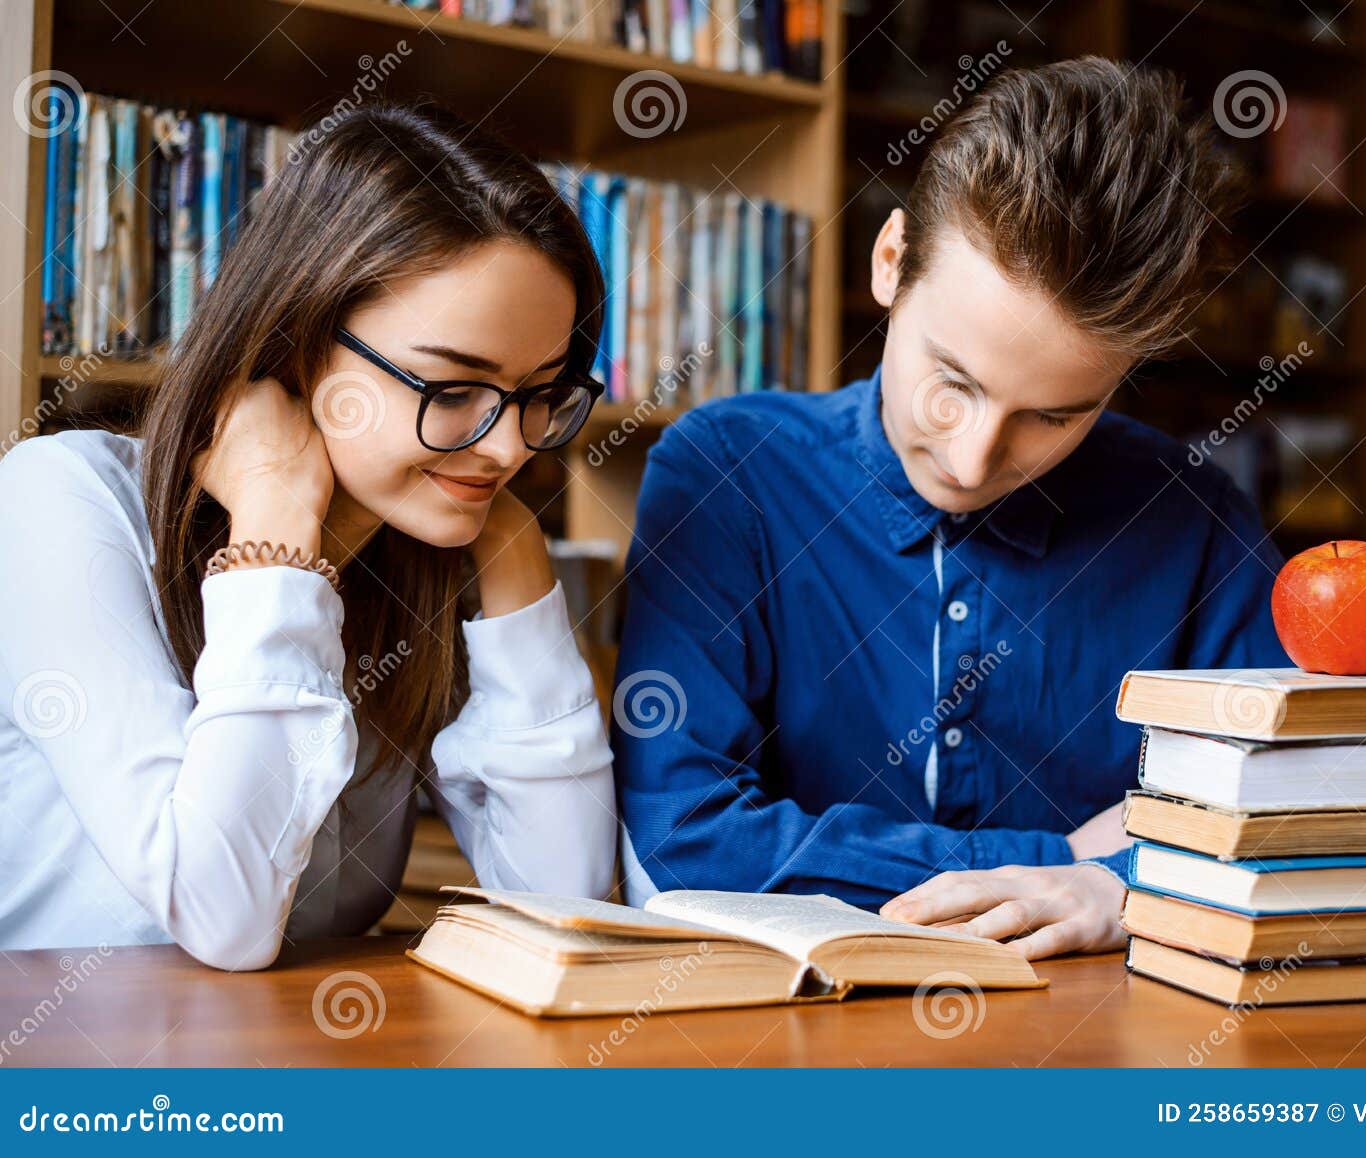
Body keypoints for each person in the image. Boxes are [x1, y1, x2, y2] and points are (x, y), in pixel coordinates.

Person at [612, 58, 1291, 959]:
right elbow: (683, 838)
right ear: (890, 262)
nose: (973, 458)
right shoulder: (726, 473)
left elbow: (1289, 818)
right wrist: (1072, 868)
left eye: (1054, 415)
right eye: (953, 381)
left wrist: (1118, 883)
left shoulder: (1193, 518)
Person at [0, 103, 616, 970]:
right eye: (452, 387)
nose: (511, 445)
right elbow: (222, 920)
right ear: (296, 340)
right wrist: (275, 526)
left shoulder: (432, 554)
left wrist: (516, 563)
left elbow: (568, 915)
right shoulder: (61, 501)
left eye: (538, 394)